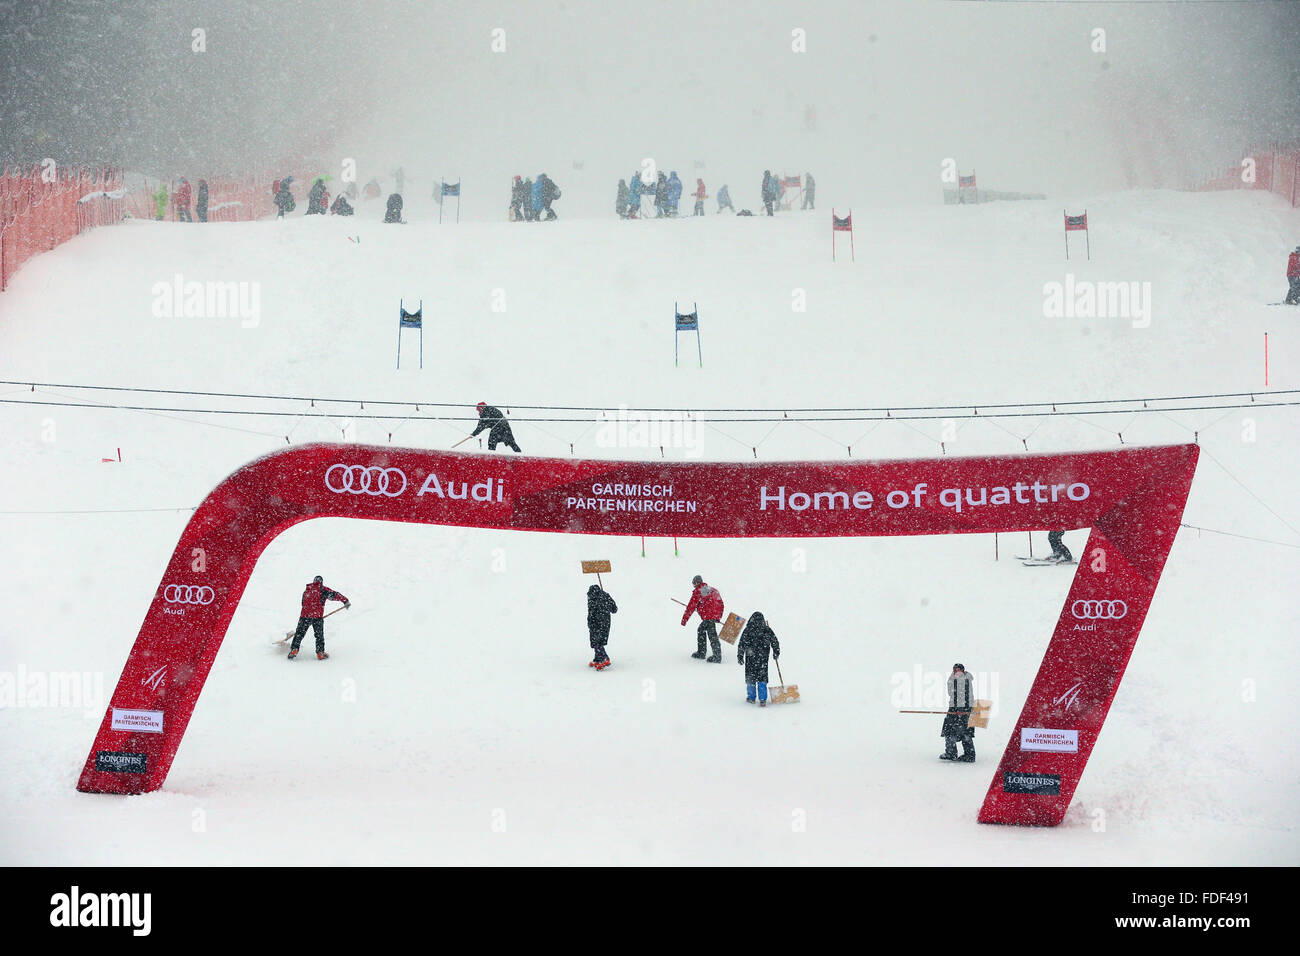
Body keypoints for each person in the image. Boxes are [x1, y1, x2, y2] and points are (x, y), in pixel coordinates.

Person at [288, 575, 349, 660]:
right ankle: (320, 653)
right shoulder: (323, 589)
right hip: (317, 617)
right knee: (319, 635)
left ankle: (294, 649)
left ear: (314, 581)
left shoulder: (307, 590)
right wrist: (345, 600)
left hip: (304, 615)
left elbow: (303, 603)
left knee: (299, 633)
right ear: (321, 582)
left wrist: (310, 612)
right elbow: (335, 595)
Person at [736, 611, 780, 706]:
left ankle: (751, 698)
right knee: (762, 678)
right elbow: (775, 642)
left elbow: (742, 644)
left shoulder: (748, 630)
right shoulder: (767, 630)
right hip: (763, 658)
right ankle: (763, 699)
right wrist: (776, 652)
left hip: (750, 658)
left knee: (750, 677)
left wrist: (740, 655)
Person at [680, 574, 724, 662]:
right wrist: (717, 616)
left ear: (696, 583)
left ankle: (712, 655)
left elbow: (690, 607)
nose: (694, 585)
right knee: (705, 631)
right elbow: (720, 603)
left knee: (710, 634)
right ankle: (706, 652)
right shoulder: (712, 590)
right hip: (713, 615)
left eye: (694, 584)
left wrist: (684, 620)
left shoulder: (698, 591)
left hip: (708, 616)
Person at [940, 664, 976, 762]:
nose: (956, 672)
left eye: (958, 670)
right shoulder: (961, 678)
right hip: (960, 708)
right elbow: (951, 693)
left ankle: (954, 753)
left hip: (960, 709)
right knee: (960, 732)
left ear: (963, 671)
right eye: (955, 670)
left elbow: (961, 695)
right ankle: (967, 754)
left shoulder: (961, 679)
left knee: (958, 732)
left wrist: (961, 710)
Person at [586, 584, 618, 669]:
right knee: (598, 641)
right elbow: (614, 609)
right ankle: (598, 658)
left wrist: (590, 622)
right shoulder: (605, 596)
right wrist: (606, 599)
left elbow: (591, 612)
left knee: (596, 641)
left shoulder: (591, 598)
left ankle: (604, 658)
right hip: (605, 622)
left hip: (595, 623)